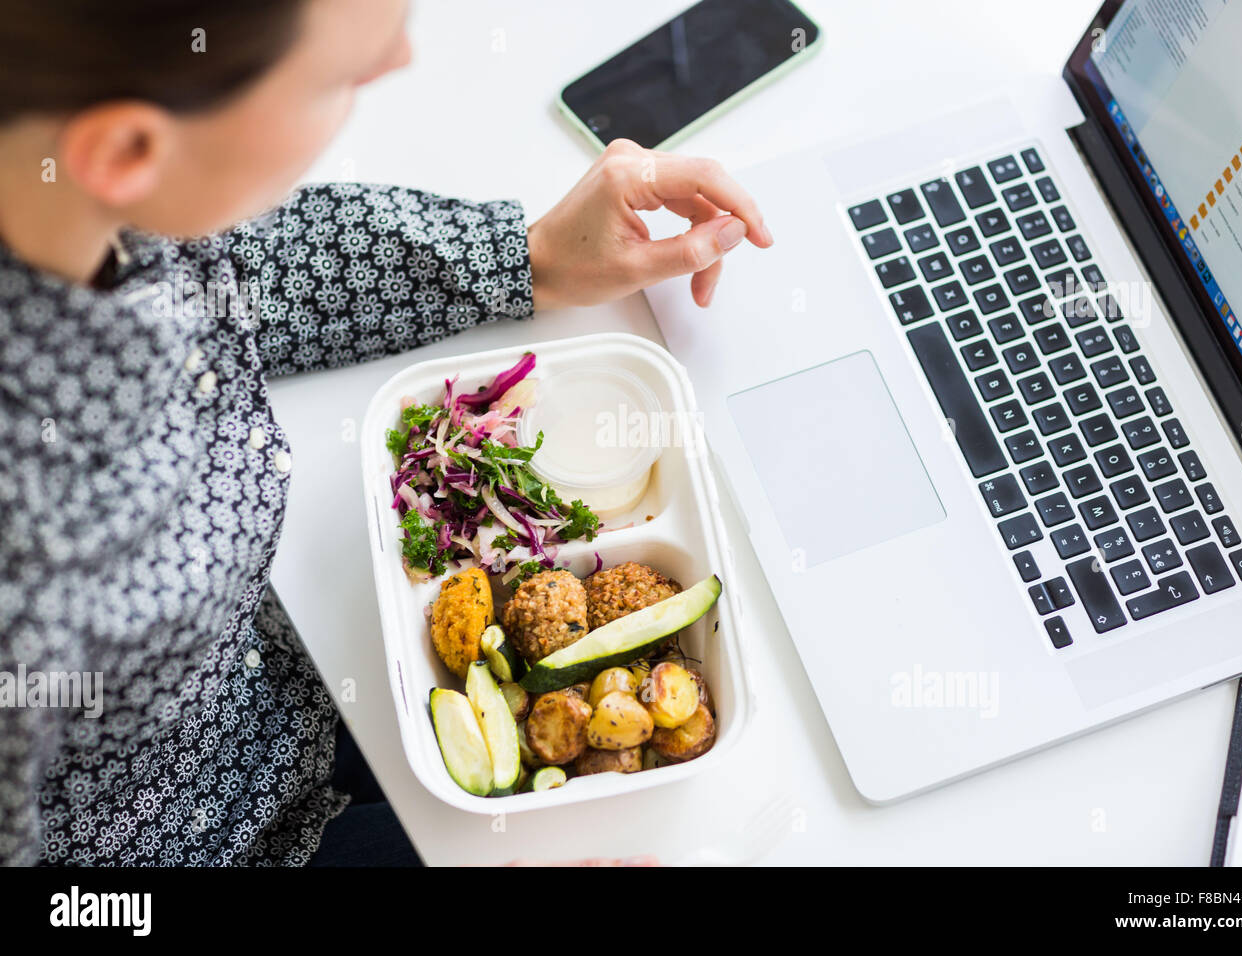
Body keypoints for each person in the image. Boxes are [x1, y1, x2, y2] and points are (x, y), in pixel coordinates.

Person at [0, 0, 772, 866]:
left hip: (300, 687)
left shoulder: (77, 194)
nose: (400, 59)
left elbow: (232, 249)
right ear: (126, 151)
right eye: (336, 76)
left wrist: (529, 254)